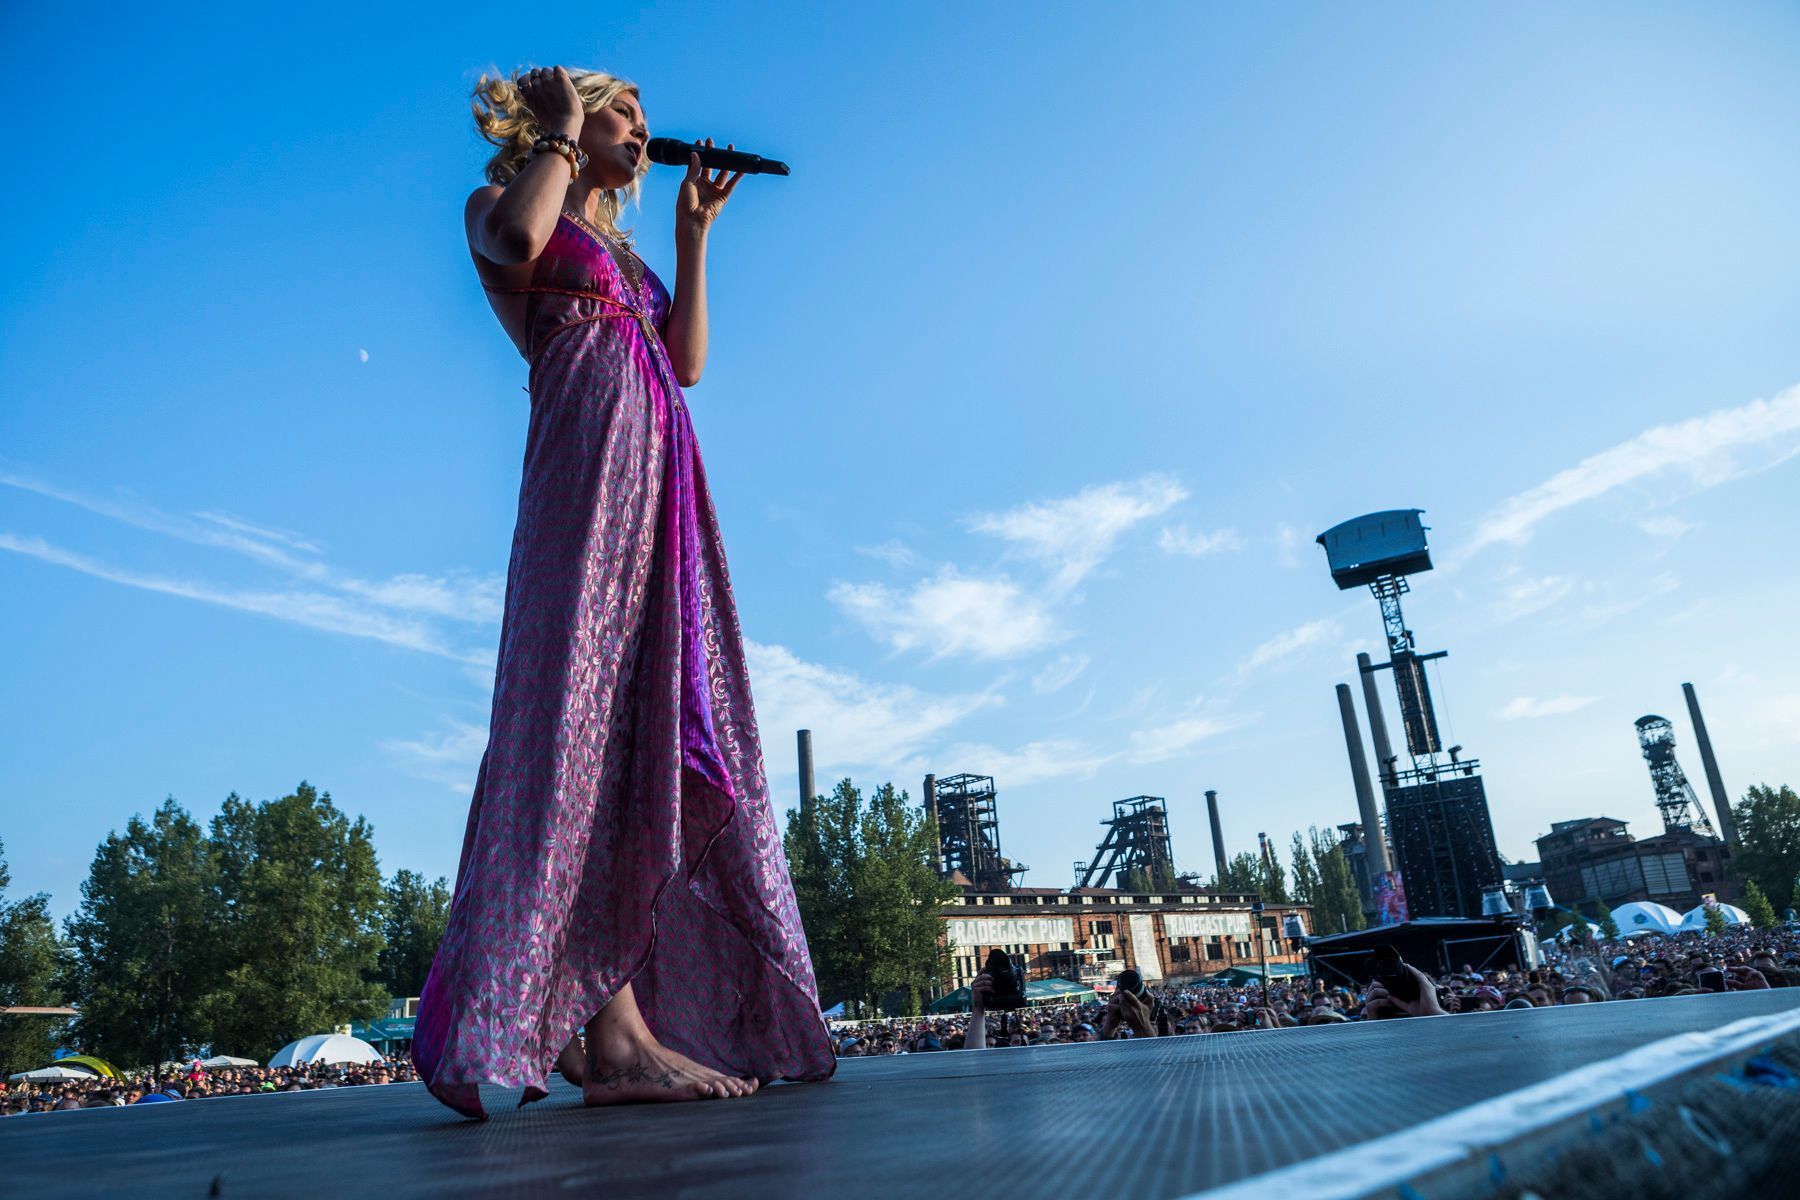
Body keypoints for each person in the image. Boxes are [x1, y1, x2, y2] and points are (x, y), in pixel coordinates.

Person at [409, 64, 835, 1119]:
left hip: (663, 488)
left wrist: (692, 237)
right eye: (624, 111)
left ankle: (617, 1030)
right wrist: (556, 132)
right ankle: (611, 1035)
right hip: (586, 476)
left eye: (645, 116)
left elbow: (685, 362)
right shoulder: (506, 208)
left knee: (646, 731)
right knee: (575, 722)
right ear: (571, 116)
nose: (644, 129)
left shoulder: (629, 250)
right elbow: (513, 246)